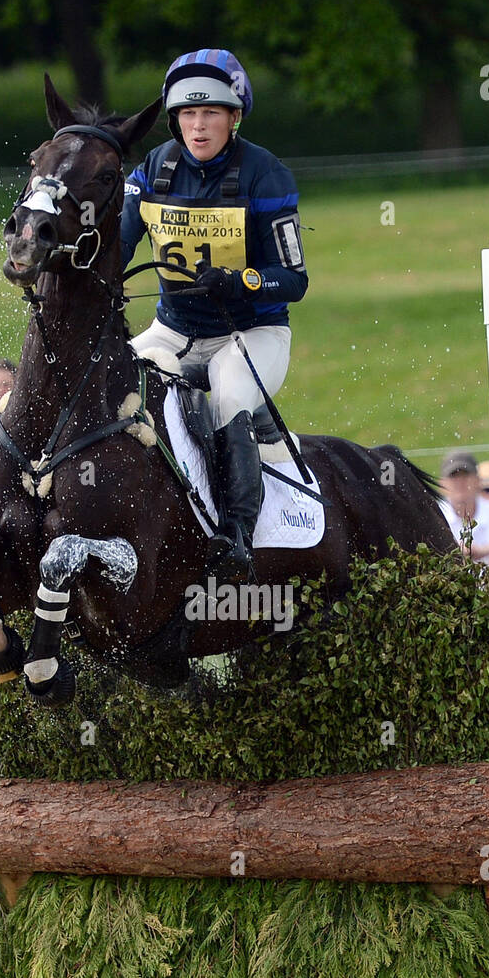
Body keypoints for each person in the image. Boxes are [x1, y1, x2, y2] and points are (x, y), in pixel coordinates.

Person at [121, 48, 309, 579]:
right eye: (187, 114)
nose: (198, 126)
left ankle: (236, 535)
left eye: (210, 113)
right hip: (173, 331)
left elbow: (294, 279)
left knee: (228, 391)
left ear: (235, 117)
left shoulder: (266, 175)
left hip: (252, 332)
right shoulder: (153, 170)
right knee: (115, 383)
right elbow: (116, 248)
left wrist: (241, 280)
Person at [437, 450, 489, 567]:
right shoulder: (435, 513)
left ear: (477, 480)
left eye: (465, 476)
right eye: (454, 477)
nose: (460, 482)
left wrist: (487, 551)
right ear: (442, 484)